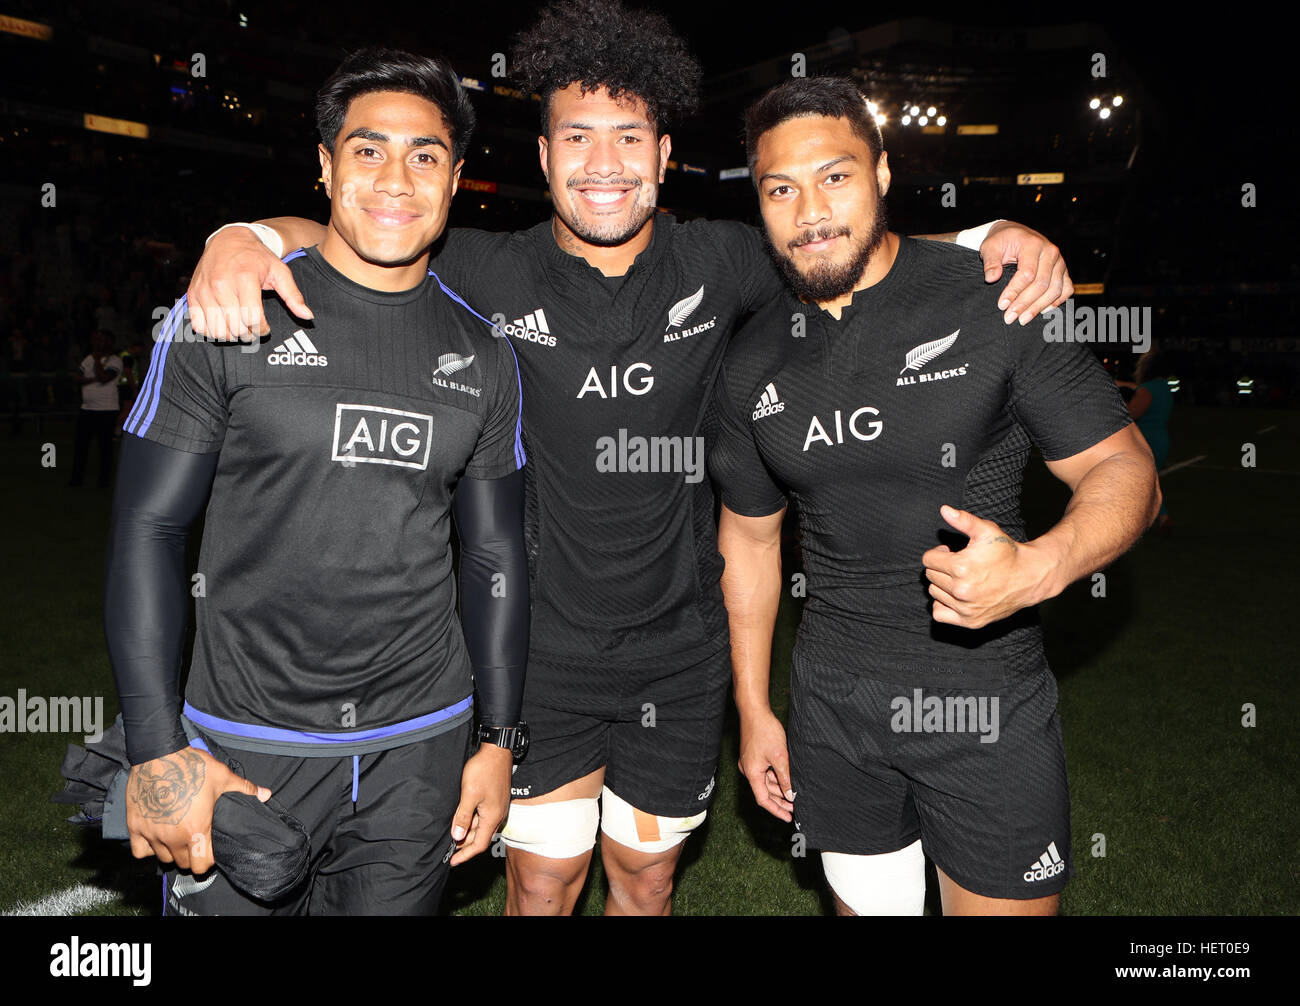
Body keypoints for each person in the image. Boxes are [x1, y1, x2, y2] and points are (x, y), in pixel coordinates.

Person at [183, 1, 1075, 916]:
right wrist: (244, 237)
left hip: (680, 657)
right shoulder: (483, 269)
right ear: (543, 157)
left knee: (644, 884)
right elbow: (364, 229)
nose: (603, 164)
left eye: (628, 137)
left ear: (662, 156)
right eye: (577, 137)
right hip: (539, 656)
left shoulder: (724, 261)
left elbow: (843, 240)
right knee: (541, 883)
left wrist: (982, 238)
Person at [709, 77, 1160, 916]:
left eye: (835, 176)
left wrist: (1041, 566)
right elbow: (749, 542)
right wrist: (752, 708)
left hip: (986, 707)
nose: (809, 209)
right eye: (781, 188)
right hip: (833, 713)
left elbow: (1124, 468)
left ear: (881, 175)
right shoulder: (752, 361)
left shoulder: (996, 296)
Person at [106, 48, 529, 915]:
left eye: (426, 157)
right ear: (326, 167)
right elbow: (147, 532)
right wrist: (156, 750)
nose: (396, 179)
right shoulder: (225, 314)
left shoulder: (486, 354)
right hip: (241, 743)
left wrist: (497, 739)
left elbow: (494, 552)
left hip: (421, 745)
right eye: (368, 151)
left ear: (455, 182)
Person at [1118, 346, 1174, 531]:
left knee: (1138, 481)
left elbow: (1133, 413)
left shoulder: (1146, 390)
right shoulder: (1164, 387)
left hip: (1145, 439)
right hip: (1161, 437)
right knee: (1149, 481)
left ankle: (1138, 521)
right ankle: (1162, 517)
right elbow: (1142, 391)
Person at [69, 330, 123, 487]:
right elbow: (77, 377)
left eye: (102, 340)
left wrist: (98, 360)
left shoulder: (115, 361)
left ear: (110, 343)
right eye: (96, 339)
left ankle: (104, 481)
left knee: (105, 447)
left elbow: (104, 377)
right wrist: (93, 377)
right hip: (87, 408)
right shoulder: (88, 358)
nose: (98, 343)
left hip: (107, 410)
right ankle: (76, 479)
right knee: (81, 446)